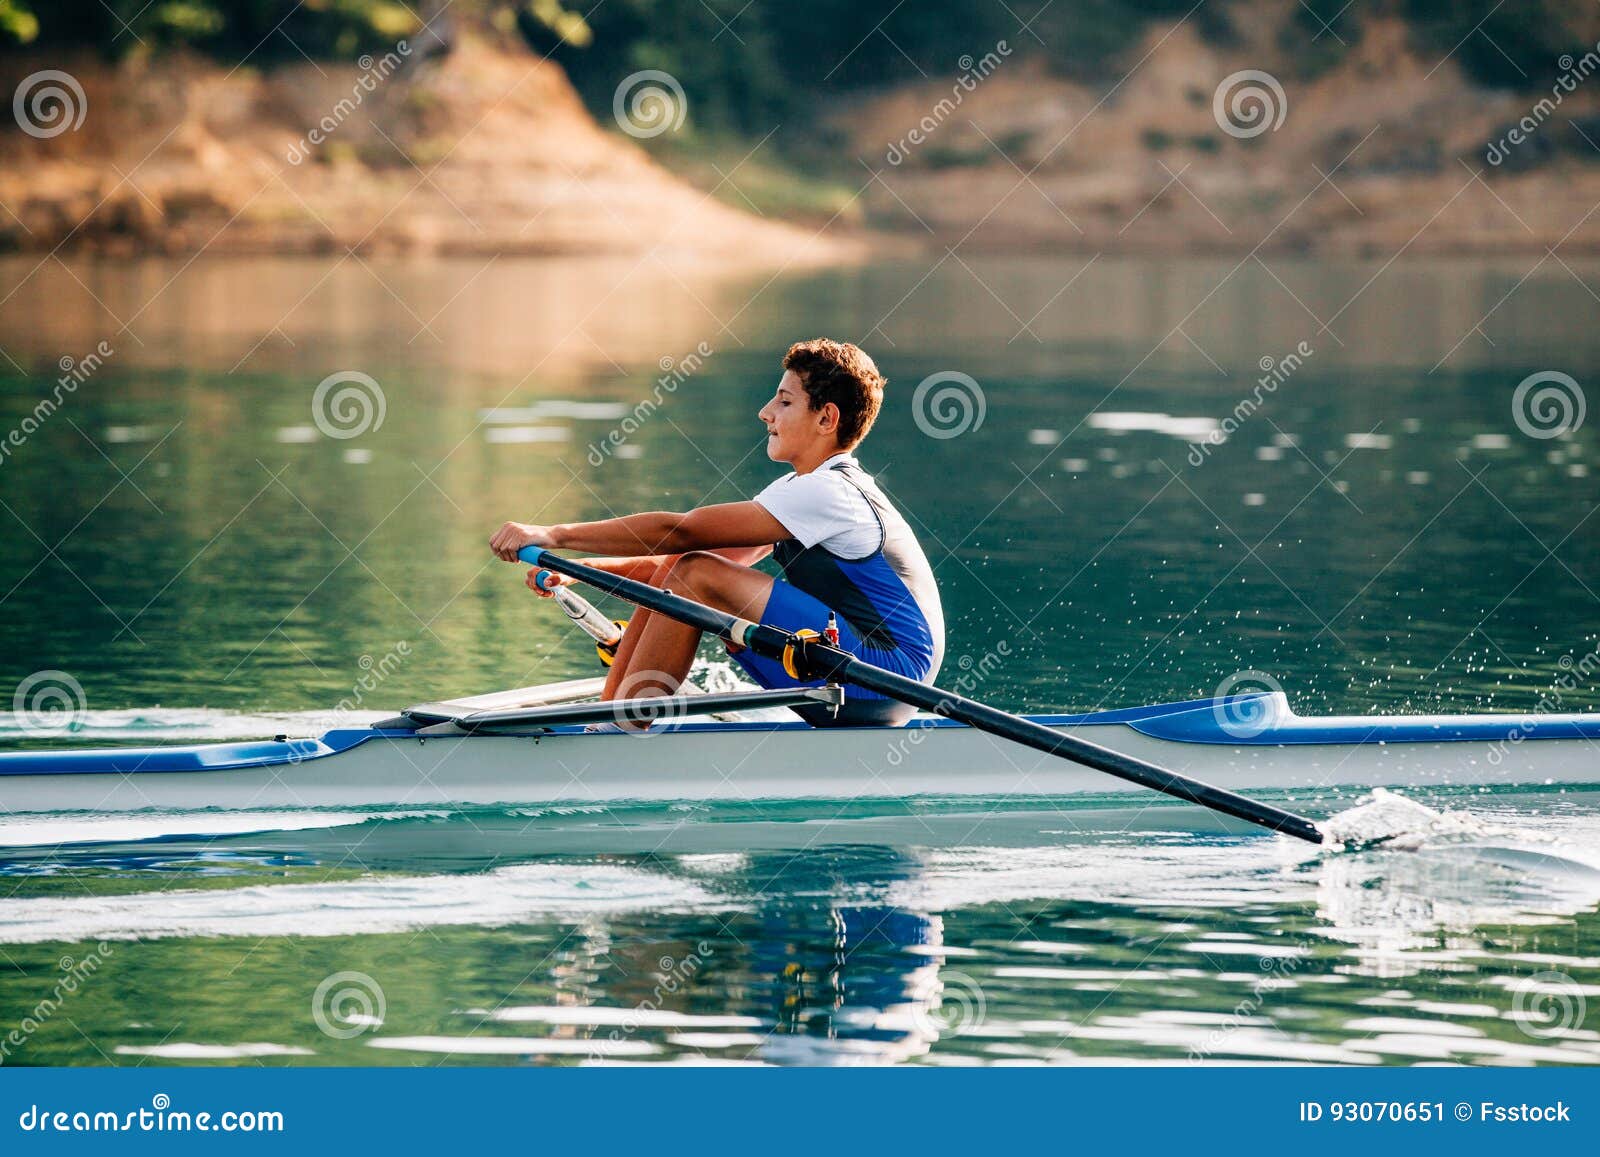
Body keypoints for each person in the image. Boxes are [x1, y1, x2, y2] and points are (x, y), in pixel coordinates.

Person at [489, 338, 943, 727]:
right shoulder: (801, 490)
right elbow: (677, 569)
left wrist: (554, 534)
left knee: (696, 572)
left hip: (884, 677)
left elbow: (680, 533)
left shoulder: (830, 492)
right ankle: (617, 718)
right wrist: (582, 571)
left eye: (785, 402)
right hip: (856, 673)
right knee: (690, 574)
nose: (766, 413)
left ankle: (623, 731)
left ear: (826, 419)